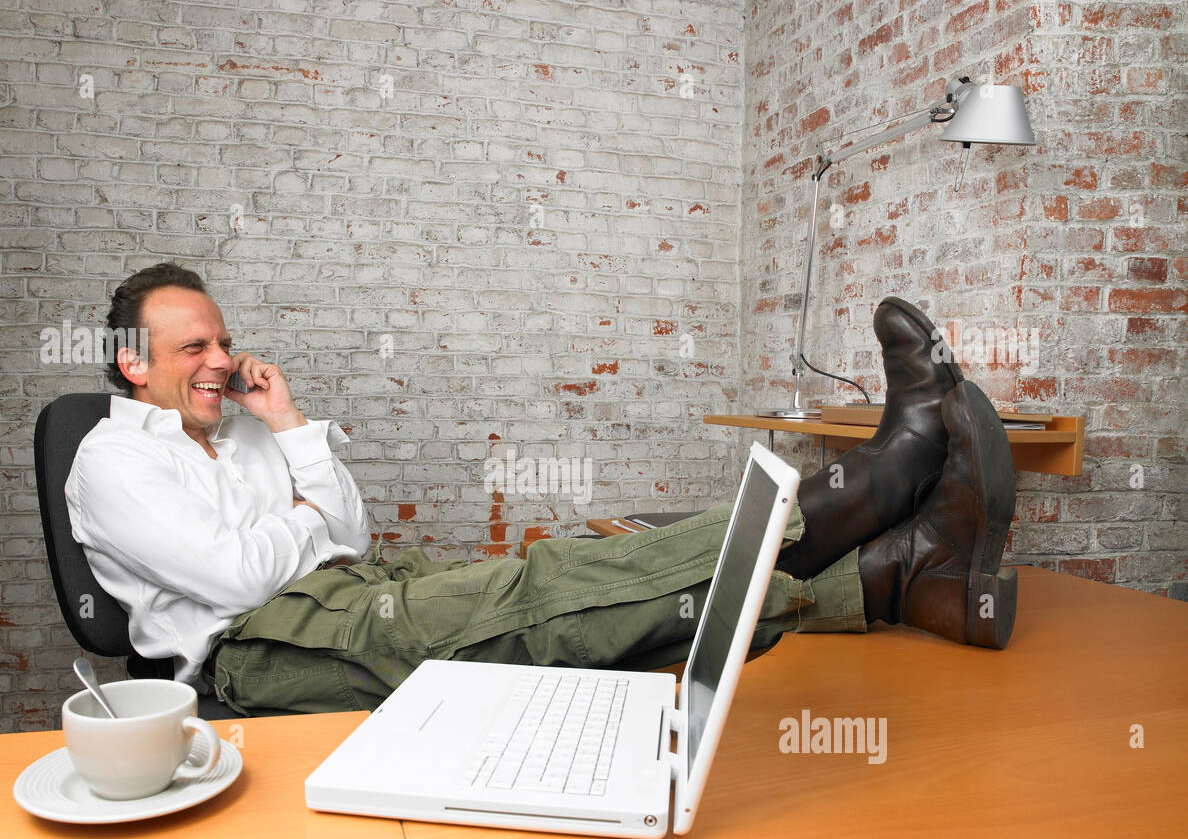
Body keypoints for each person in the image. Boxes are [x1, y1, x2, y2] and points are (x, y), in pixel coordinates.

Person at [66, 263, 1017, 717]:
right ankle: (866, 498)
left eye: (223, 341)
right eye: (196, 347)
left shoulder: (243, 433)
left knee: (575, 599)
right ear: (129, 360)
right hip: (252, 654)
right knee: (544, 605)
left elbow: (346, 531)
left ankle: (895, 576)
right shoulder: (112, 462)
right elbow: (236, 583)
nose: (223, 360)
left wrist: (287, 428)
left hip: (340, 596)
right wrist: (308, 529)